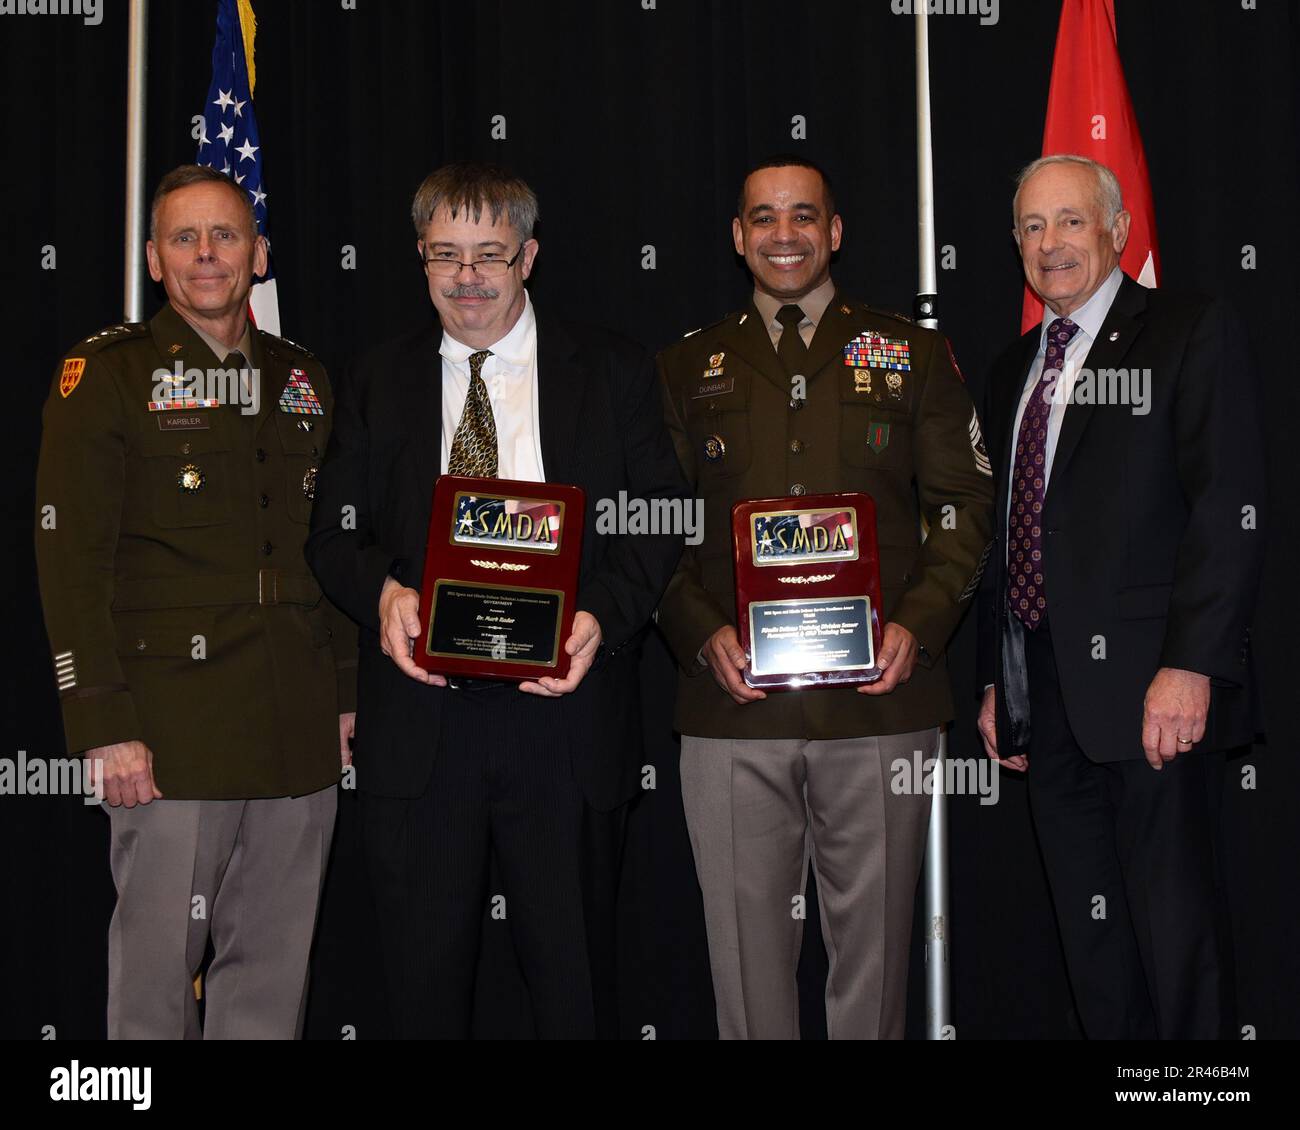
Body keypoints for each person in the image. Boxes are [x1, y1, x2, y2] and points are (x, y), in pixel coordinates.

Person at [305, 161, 687, 1039]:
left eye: (489, 254)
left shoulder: (615, 369)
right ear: (420, 260)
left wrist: (600, 617)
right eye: (446, 255)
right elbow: (331, 535)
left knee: (573, 990)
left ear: (529, 258)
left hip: (565, 716)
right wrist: (388, 598)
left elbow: (662, 518)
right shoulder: (373, 377)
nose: (467, 277)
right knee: (421, 994)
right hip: (421, 719)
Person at [656, 155, 994, 1039]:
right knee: (745, 972)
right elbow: (649, 522)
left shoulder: (911, 352)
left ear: (834, 231)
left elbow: (963, 505)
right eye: (763, 217)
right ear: (738, 238)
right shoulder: (687, 365)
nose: (784, 234)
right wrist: (701, 633)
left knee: (875, 970)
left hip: (881, 708)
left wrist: (919, 627)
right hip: (733, 710)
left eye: (804, 215)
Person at [34, 164, 356, 1039]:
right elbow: (70, 560)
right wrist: (101, 721)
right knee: (152, 985)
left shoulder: (305, 380)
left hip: (295, 723)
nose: (207, 255)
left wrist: (344, 694)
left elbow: (326, 548)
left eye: (225, 236)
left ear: (259, 255)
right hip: (168, 731)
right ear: (152, 257)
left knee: (271, 976)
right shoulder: (105, 375)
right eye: (185, 237)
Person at [977, 154, 1265, 1039]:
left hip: (1153, 697)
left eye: (1069, 221)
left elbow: (1227, 508)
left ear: (1116, 230)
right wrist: (1001, 681)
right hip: (1049, 704)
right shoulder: (1013, 365)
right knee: (1091, 945)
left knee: (1176, 941)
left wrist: (1189, 665)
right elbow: (1014, 533)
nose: (1051, 244)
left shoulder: (1186, 331)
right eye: (1032, 227)